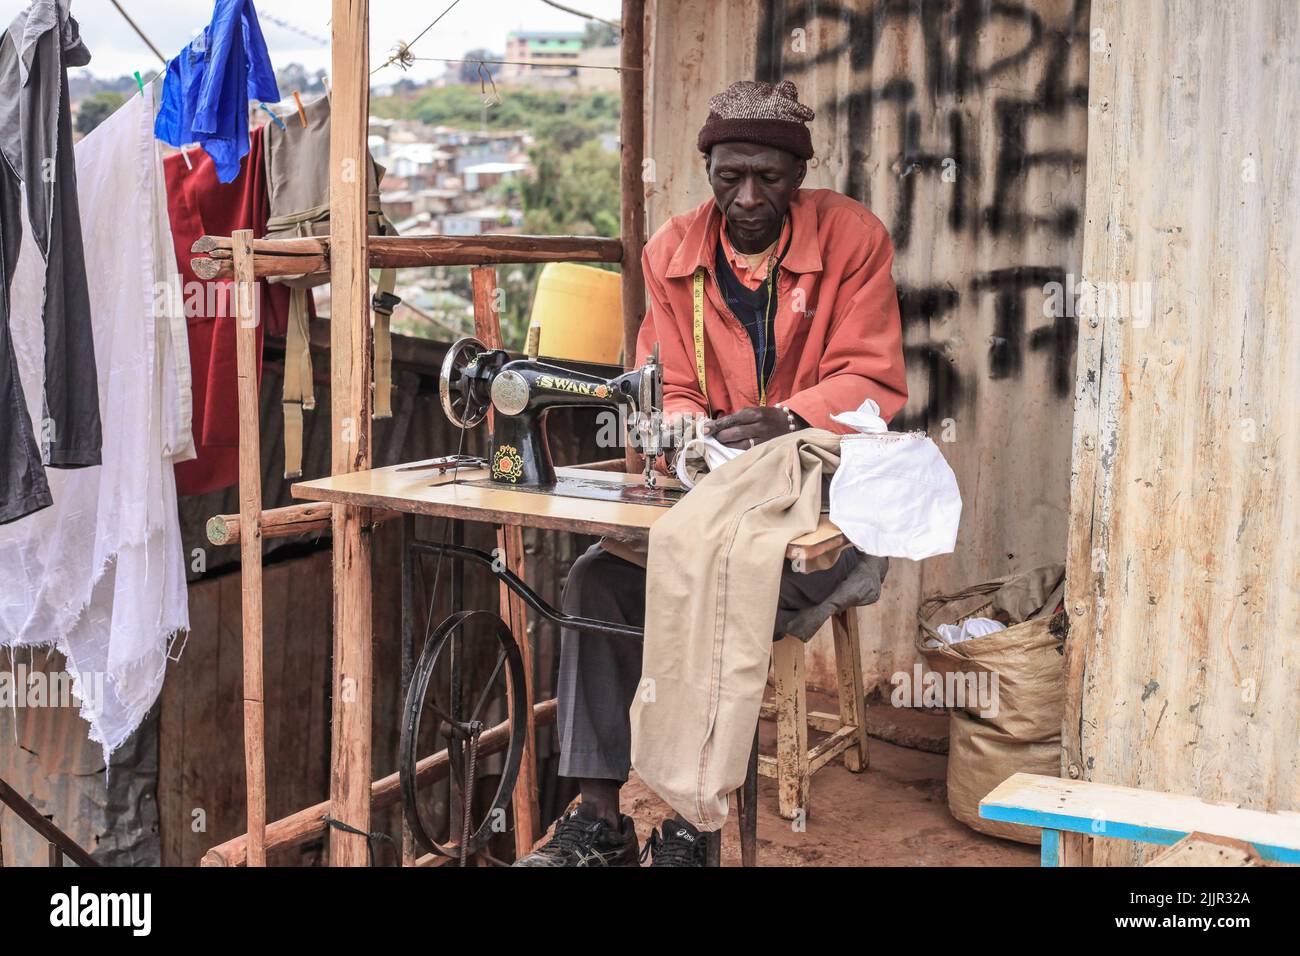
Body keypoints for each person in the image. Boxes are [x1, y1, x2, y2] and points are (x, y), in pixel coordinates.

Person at [515, 80, 907, 867]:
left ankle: (695, 827)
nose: (749, 197)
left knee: (715, 591)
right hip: (714, 506)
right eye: (730, 177)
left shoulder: (852, 238)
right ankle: (601, 823)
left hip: (826, 516)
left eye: (768, 177)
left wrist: (790, 416)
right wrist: (689, 424)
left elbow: (873, 380)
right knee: (597, 583)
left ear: (801, 174)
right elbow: (669, 380)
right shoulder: (675, 252)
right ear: (708, 168)